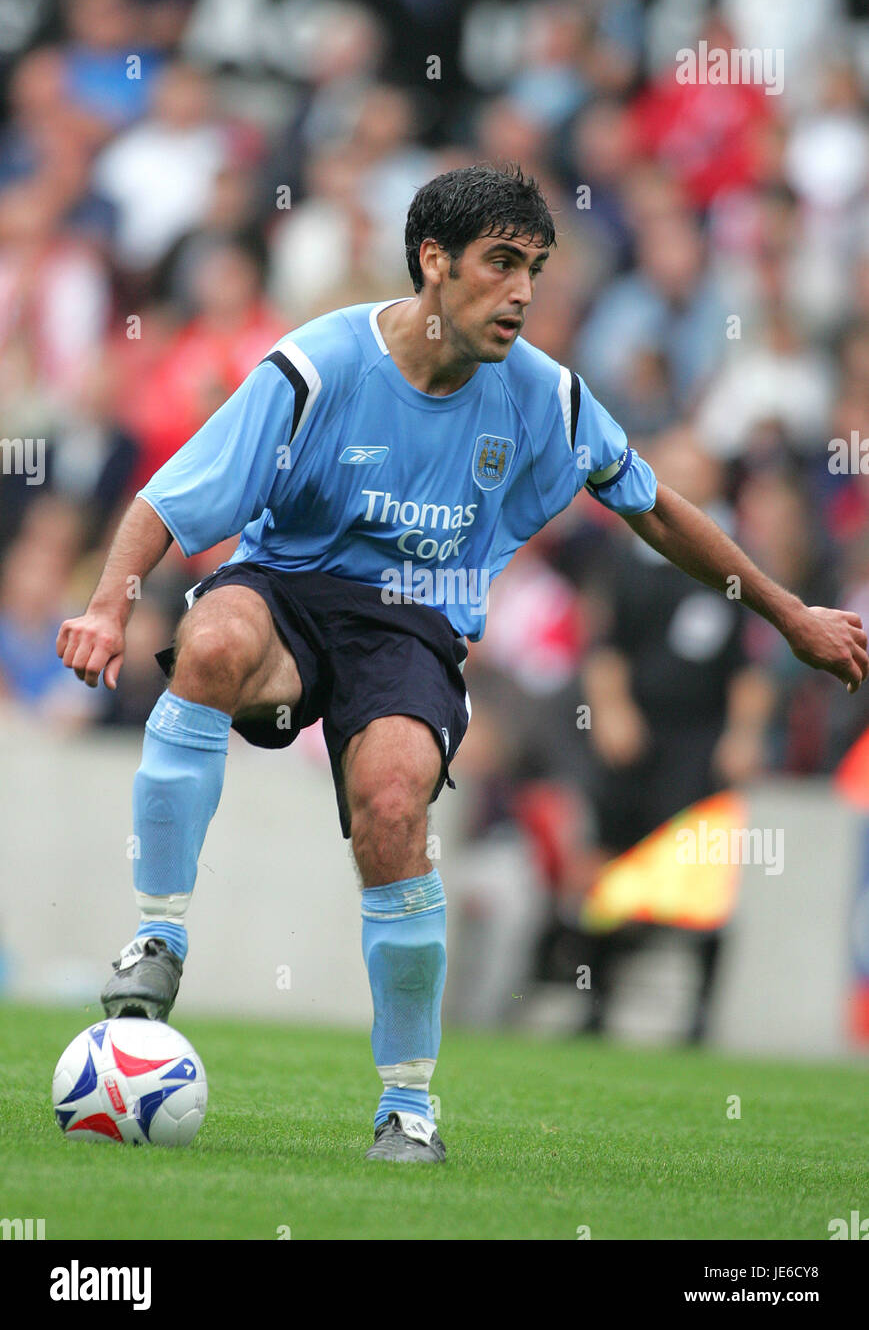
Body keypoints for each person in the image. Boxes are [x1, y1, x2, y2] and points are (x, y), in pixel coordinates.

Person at [56, 165, 868, 1164]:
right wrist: (105, 604)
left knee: (394, 808)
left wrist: (788, 615)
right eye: (499, 264)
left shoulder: (543, 397)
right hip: (290, 590)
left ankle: (407, 1107)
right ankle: (159, 937)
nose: (522, 292)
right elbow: (170, 499)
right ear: (433, 263)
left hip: (412, 629)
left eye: (533, 267)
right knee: (213, 642)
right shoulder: (318, 366)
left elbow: (654, 507)